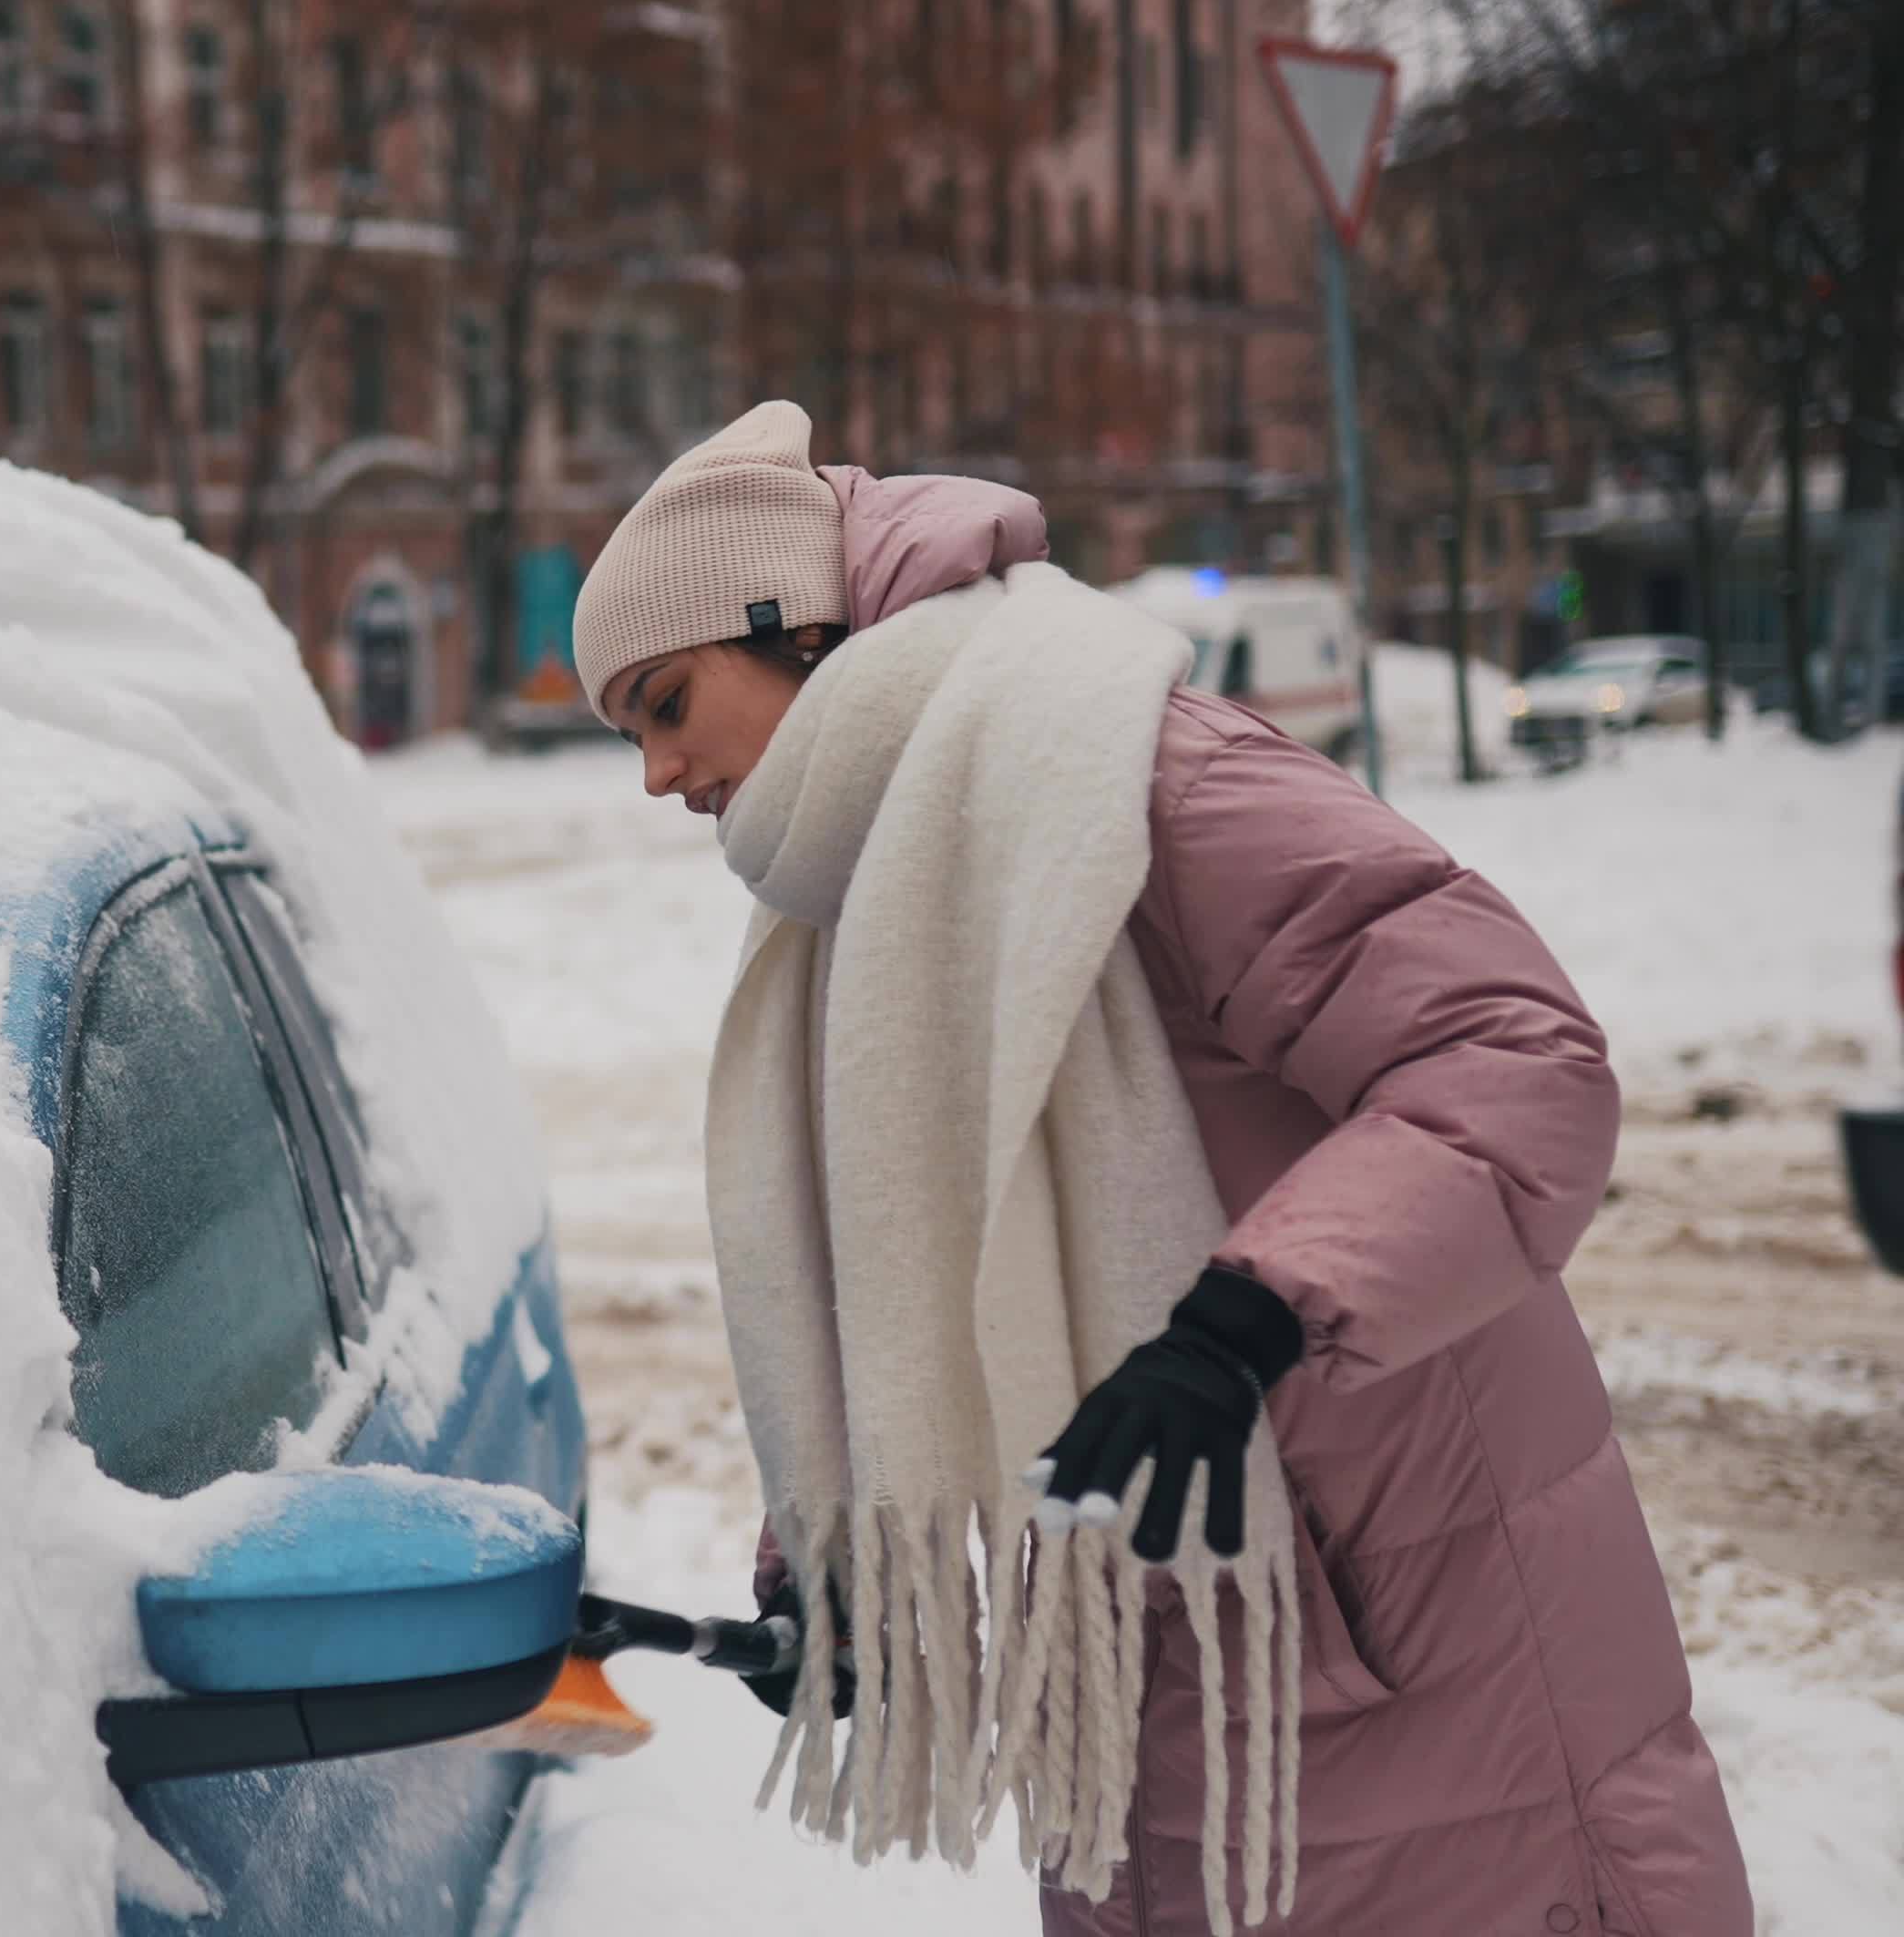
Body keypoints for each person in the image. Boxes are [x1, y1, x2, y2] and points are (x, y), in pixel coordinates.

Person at [570, 402, 1751, 1937]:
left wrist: (1246, 1322)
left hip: (1398, 1633)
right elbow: (911, 1248)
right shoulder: (867, 875)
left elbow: (1511, 1060)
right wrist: (846, 1575)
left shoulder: (1143, 776)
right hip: (1139, 1674)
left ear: (786, 627)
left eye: (668, 704)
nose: (658, 775)